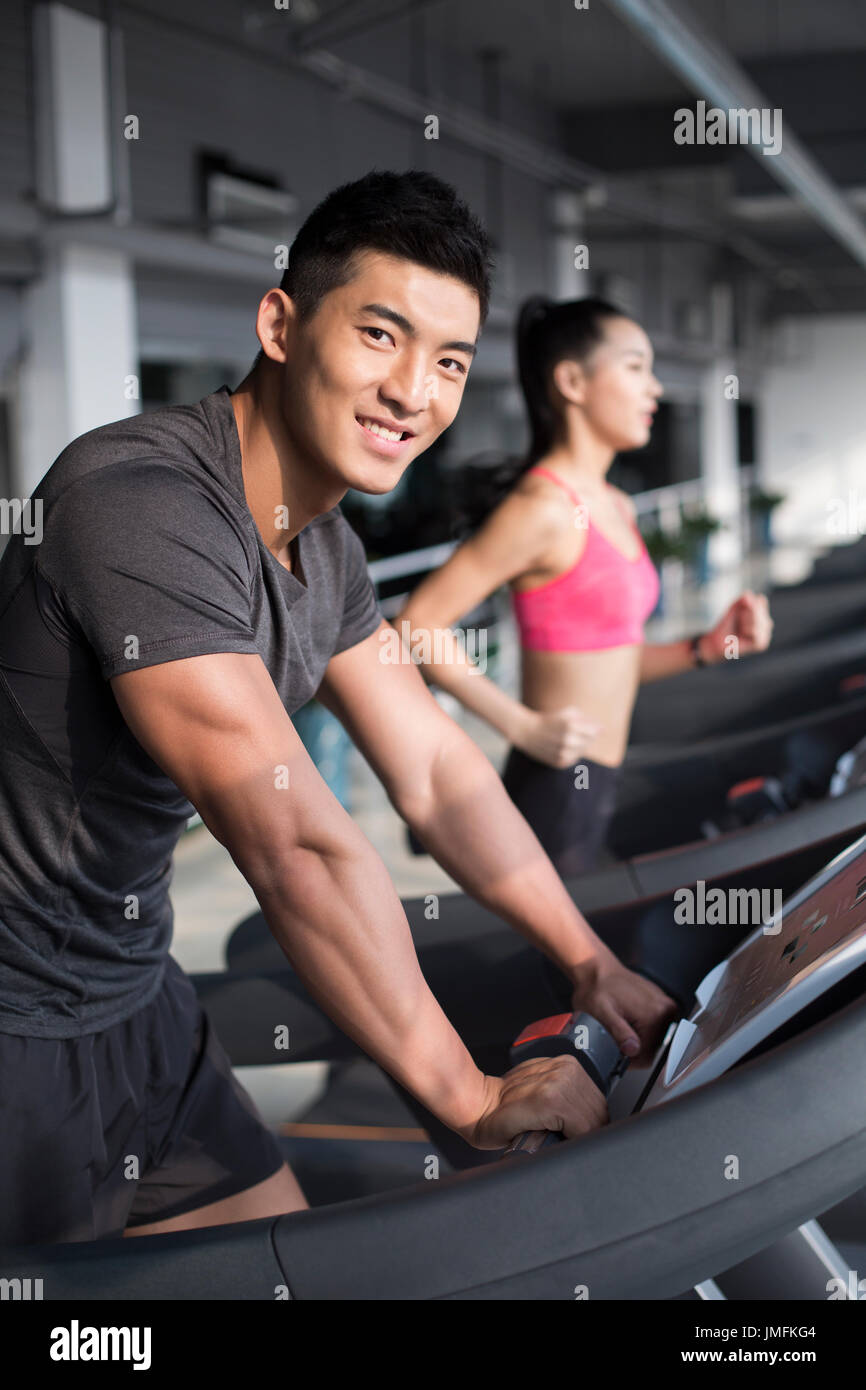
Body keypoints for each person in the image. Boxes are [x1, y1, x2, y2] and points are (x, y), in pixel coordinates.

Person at [0, 172, 675, 1248]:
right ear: (280, 322)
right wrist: (464, 1093)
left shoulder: (325, 549)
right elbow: (294, 844)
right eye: (379, 334)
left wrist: (585, 959)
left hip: (139, 999)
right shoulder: (138, 503)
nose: (413, 389)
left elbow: (436, 770)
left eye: (448, 361)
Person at [395, 295, 773, 877]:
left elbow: (611, 661)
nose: (655, 390)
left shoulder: (616, 504)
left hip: (603, 778)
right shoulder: (544, 506)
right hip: (557, 787)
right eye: (635, 367)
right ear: (571, 380)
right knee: (558, 963)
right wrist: (523, 726)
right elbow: (418, 625)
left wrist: (708, 646)